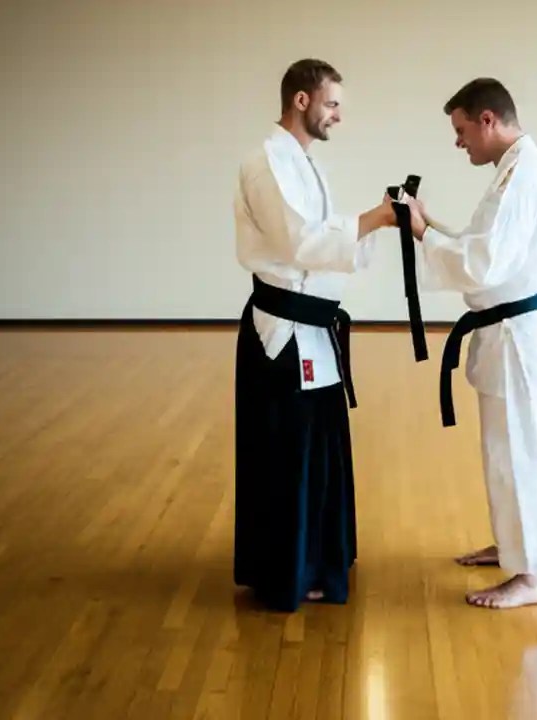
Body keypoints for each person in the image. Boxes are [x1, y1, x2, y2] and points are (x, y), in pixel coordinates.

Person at [403, 78, 537, 609]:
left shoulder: (524, 176)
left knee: (523, 457)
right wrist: (425, 222)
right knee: (505, 455)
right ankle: (513, 547)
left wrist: (420, 234)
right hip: (510, 339)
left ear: (488, 120)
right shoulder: (513, 171)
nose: (459, 143)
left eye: (461, 130)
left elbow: (483, 264)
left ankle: (530, 577)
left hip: (522, 342)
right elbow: (481, 246)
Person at [232, 58, 397, 612]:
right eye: (332, 104)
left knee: (318, 452)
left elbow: (323, 234)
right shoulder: (266, 162)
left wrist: (376, 220)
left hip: (314, 330)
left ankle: (320, 561)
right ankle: (287, 570)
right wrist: (373, 219)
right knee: (287, 455)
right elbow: (300, 242)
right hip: (281, 333)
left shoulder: (303, 162)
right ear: (301, 101)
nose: (337, 116)